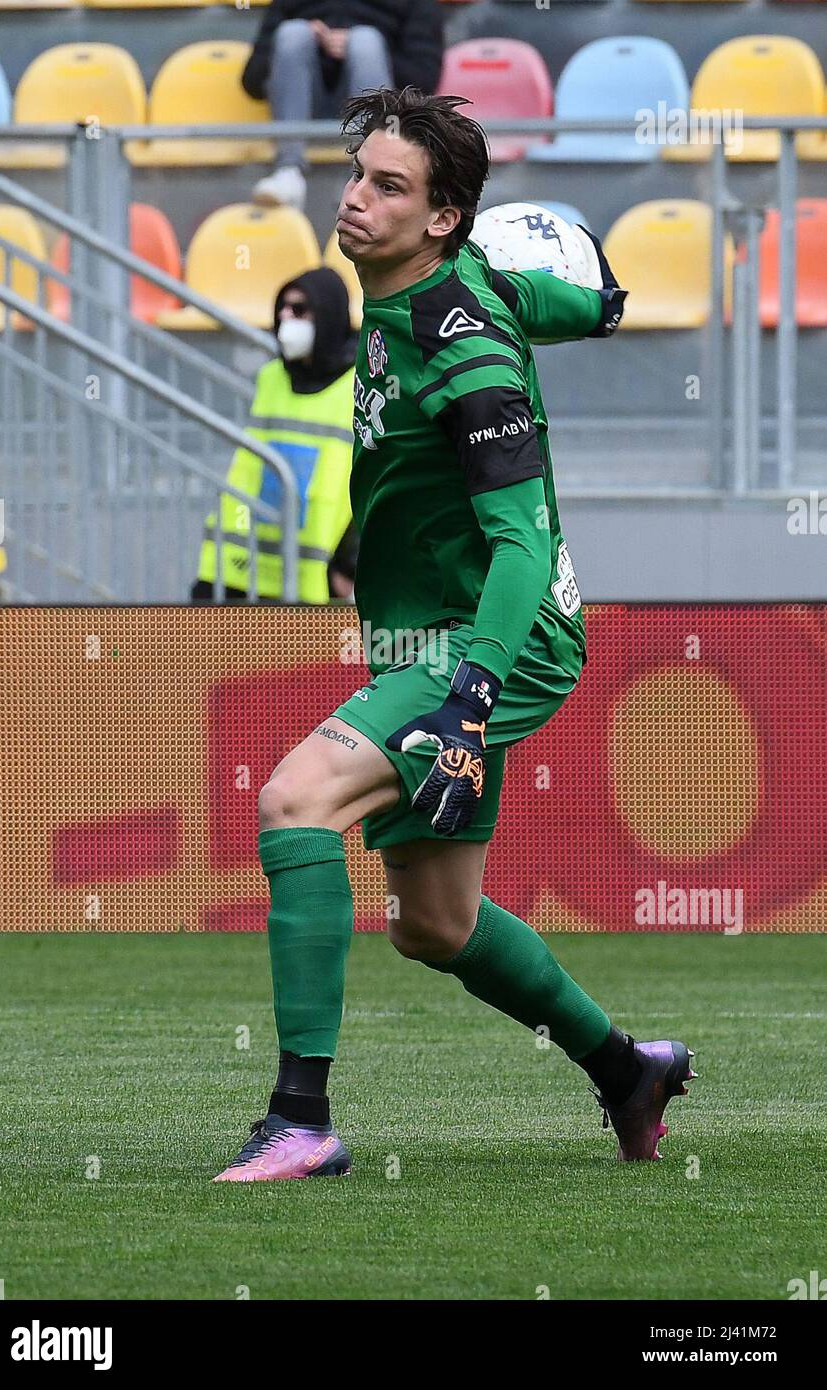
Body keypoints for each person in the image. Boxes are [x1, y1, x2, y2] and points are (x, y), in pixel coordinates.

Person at [213, 87, 695, 1183]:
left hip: (493, 637)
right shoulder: (463, 280)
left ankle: (301, 1120)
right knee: (433, 923)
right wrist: (604, 304)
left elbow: (521, 545)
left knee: (295, 800)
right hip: (419, 633)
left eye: (389, 186)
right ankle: (627, 1070)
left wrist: (468, 700)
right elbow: (551, 296)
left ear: (440, 220)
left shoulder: (463, 347)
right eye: (357, 175)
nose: (356, 200)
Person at [191, 267, 356, 605]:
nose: (285, 318)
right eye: (282, 308)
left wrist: (350, 563)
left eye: (298, 310)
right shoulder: (270, 377)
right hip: (243, 560)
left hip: (316, 570)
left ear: (326, 316)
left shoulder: (360, 384)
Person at [242, 0, 443, 210]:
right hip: (303, 113)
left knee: (365, 41)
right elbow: (252, 82)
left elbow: (424, 81)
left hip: (382, 119)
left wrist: (368, 53)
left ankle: (365, 175)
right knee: (293, 33)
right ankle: (288, 172)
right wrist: (293, 48)